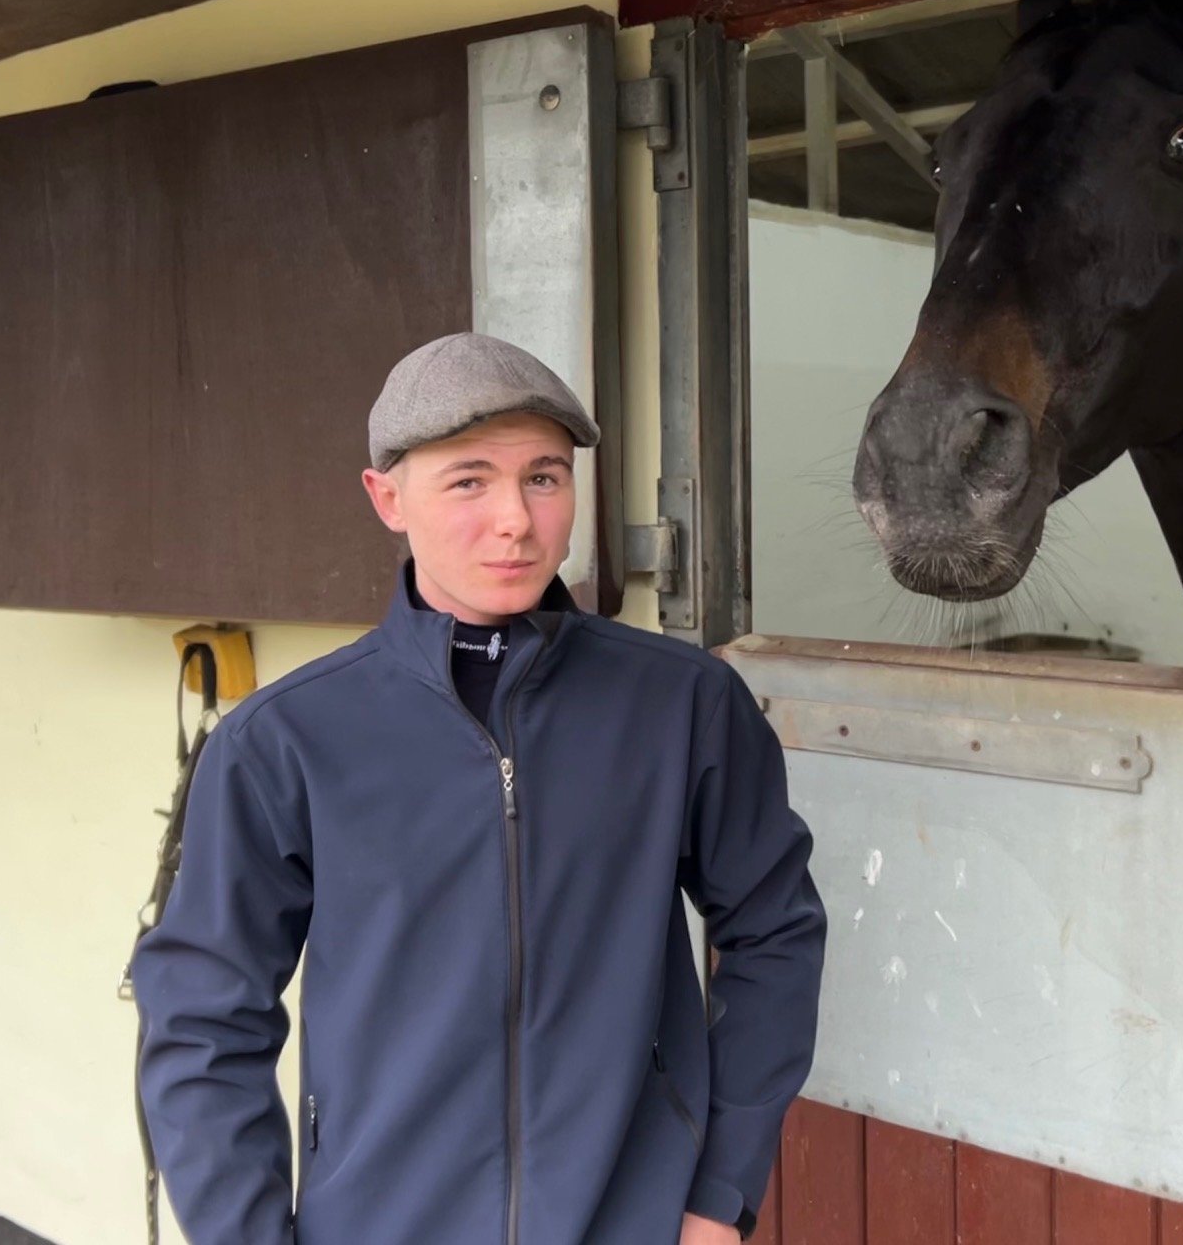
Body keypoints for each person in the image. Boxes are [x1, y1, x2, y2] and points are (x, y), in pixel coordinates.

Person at [131, 331, 826, 1244]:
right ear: (388, 498)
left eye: (544, 476)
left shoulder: (682, 705)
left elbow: (775, 930)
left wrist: (720, 1198)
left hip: (632, 1221)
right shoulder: (286, 742)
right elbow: (202, 1021)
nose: (516, 519)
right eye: (468, 481)